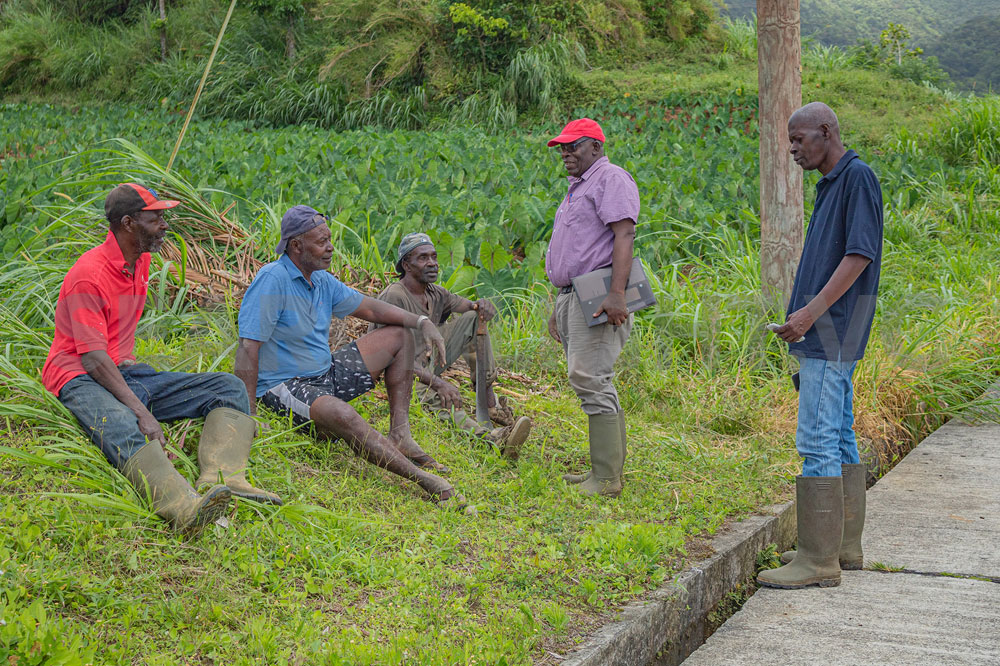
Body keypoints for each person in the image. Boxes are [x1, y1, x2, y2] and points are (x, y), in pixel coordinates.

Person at [42, 183, 280, 537]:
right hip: (78, 376)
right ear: (128, 223)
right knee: (123, 421)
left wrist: (135, 381)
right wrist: (142, 412)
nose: (164, 225)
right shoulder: (88, 275)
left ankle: (224, 477)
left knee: (228, 387)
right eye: (155, 219)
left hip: (121, 371)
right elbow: (92, 359)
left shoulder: (140, 260)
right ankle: (182, 507)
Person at [234, 206, 465, 509]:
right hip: (285, 385)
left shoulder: (320, 279)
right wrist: (249, 413)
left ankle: (400, 434)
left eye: (329, 239)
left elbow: (369, 308)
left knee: (399, 334)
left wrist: (421, 321)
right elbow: (248, 347)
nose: (330, 247)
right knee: (342, 415)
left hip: (325, 373)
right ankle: (424, 479)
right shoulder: (272, 280)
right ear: (297, 246)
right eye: (321, 242)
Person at [757, 102, 883, 590]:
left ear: (826, 133)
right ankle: (842, 546)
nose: (792, 149)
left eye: (799, 139)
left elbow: (858, 255)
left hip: (832, 326)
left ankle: (817, 559)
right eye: (790, 140)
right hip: (833, 325)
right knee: (840, 433)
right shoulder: (834, 183)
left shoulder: (857, 178)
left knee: (816, 435)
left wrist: (809, 313)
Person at [371, 233, 533, 458]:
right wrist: (438, 383)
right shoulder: (395, 296)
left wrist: (482, 306)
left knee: (473, 318)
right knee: (440, 399)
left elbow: (470, 307)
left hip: (428, 360)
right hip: (402, 371)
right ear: (406, 265)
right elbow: (388, 356)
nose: (432, 263)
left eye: (434, 257)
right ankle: (491, 439)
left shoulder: (435, 292)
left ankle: (489, 403)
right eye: (423, 258)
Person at [545, 118, 640, 498]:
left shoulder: (609, 178)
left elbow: (624, 233)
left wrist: (617, 294)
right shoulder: (578, 187)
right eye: (562, 149)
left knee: (590, 376)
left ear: (596, 147)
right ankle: (606, 470)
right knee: (590, 377)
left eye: (573, 146)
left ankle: (606, 478)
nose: (566, 154)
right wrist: (559, 305)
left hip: (599, 293)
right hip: (576, 293)